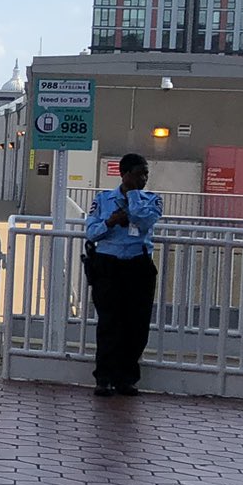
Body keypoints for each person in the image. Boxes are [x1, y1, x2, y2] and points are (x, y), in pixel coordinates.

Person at [84, 153, 162, 397]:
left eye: (146, 173)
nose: (144, 178)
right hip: (108, 266)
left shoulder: (152, 199)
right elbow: (91, 232)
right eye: (139, 173)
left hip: (138, 265)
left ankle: (126, 379)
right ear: (125, 174)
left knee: (136, 324)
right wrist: (110, 221)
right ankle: (104, 378)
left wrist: (133, 196)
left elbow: (144, 220)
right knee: (109, 323)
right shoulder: (103, 199)